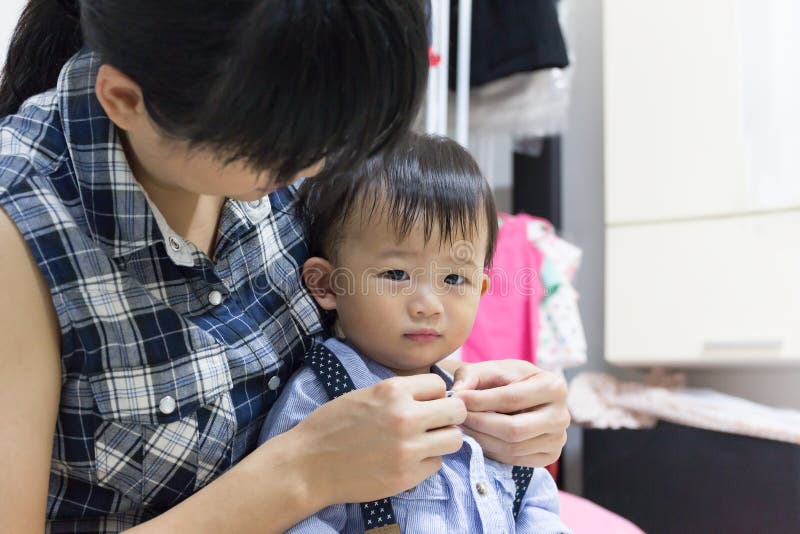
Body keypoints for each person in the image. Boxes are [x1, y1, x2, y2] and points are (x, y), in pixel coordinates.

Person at [0, 1, 569, 532]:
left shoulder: (298, 109)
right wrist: (301, 472)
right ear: (125, 100)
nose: (315, 168)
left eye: (341, 134)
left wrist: (509, 414)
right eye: (280, 152)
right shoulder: (23, 222)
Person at [259, 133, 571, 533]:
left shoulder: (483, 404)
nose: (428, 304)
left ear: (481, 289)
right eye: (396, 274)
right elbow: (296, 517)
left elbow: (534, 496)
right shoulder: (323, 398)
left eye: (454, 277)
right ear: (328, 285)